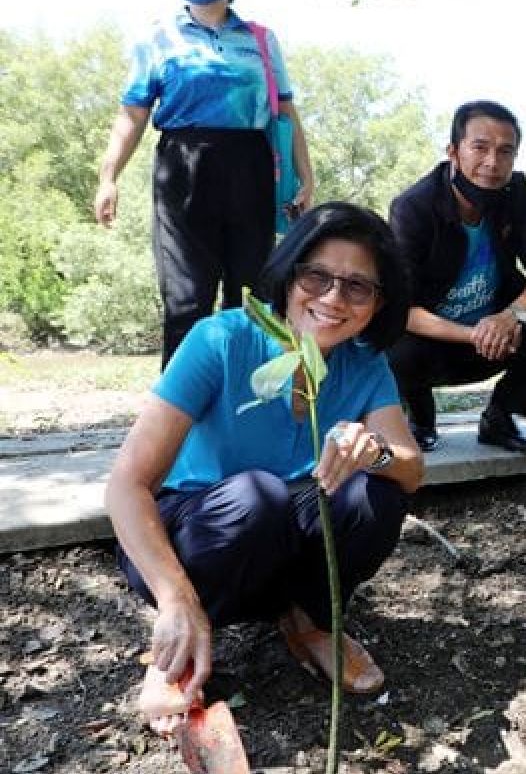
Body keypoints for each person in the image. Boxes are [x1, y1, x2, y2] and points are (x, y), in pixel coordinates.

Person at [105, 203, 422, 733]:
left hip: (280, 539)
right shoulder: (222, 339)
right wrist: (174, 597)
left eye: (357, 287)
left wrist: (376, 452)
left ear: (377, 304)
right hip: (194, 533)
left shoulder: (365, 363)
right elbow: (126, 485)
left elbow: (411, 470)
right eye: (316, 275)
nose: (332, 298)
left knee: (374, 493)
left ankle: (309, 620)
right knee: (258, 497)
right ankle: (180, 644)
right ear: (289, 272)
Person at [94, 0, 313, 367]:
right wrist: (108, 177)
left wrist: (306, 178)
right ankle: (177, 414)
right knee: (186, 296)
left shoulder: (260, 39)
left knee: (251, 294)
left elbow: (287, 114)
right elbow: (132, 114)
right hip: (183, 166)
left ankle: (244, 403)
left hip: (250, 166)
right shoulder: (158, 38)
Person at [387, 100, 526, 453]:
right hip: (435, 343)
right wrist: (475, 334)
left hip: (500, 336)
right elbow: (403, 308)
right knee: (393, 342)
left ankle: (501, 417)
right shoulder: (413, 207)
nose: (492, 163)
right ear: (453, 152)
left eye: (506, 151)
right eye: (480, 147)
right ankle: (419, 416)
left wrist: (511, 315)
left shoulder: (513, 193)